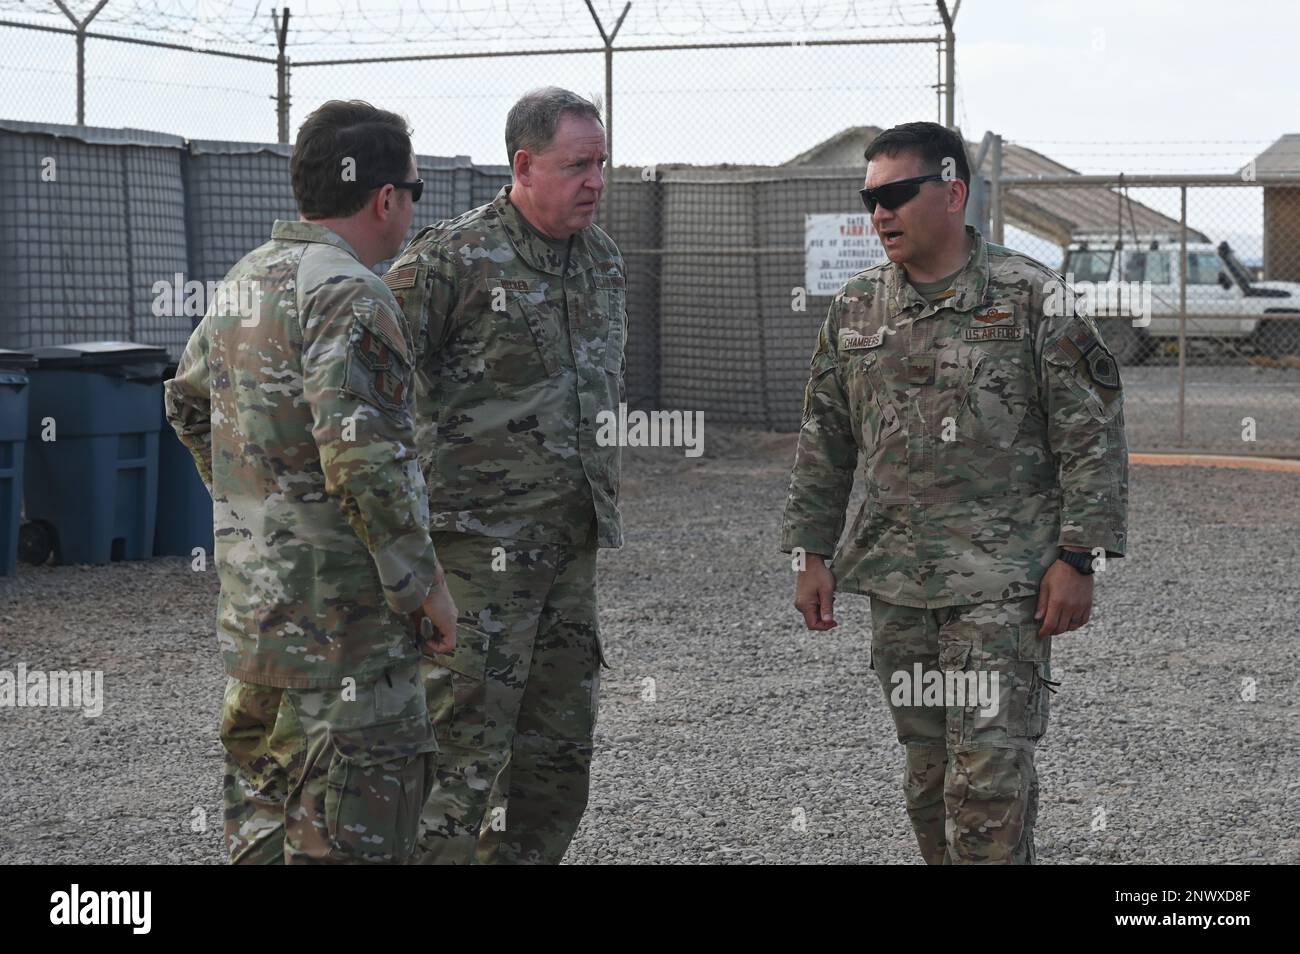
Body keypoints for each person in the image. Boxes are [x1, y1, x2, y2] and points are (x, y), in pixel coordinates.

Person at [781, 121, 1128, 864]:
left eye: (898, 194)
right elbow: (824, 439)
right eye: (870, 198)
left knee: (987, 788)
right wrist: (809, 554)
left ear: (952, 193)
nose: (880, 213)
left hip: (1003, 585)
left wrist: (1078, 556)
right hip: (898, 585)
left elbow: (1090, 434)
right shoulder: (856, 311)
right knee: (929, 780)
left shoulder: (1030, 298)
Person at [165, 100, 458, 864]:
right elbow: (365, 460)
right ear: (386, 198)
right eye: (415, 192)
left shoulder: (245, 279)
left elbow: (186, 402)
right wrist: (424, 588)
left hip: (259, 631)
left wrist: (258, 512)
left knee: (263, 838)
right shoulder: (352, 293)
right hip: (346, 642)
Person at [384, 86, 625, 864]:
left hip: (569, 551)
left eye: (602, 163)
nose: (595, 180)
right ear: (523, 165)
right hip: (473, 560)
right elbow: (368, 388)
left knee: (558, 762)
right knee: (460, 759)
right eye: (576, 165)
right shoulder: (448, 262)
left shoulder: (602, 262)